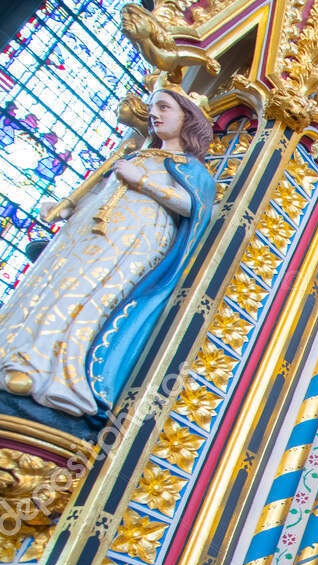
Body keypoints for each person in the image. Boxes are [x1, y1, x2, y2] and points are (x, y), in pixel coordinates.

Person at [1, 86, 216, 417]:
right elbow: (102, 190)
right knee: (53, 285)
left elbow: (193, 206)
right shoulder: (134, 155)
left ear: (188, 118)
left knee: (88, 296)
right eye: (152, 107)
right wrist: (68, 208)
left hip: (133, 241)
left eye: (164, 107)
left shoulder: (191, 169)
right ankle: (15, 354)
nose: (154, 114)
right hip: (87, 233)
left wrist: (142, 183)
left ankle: (54, 375)